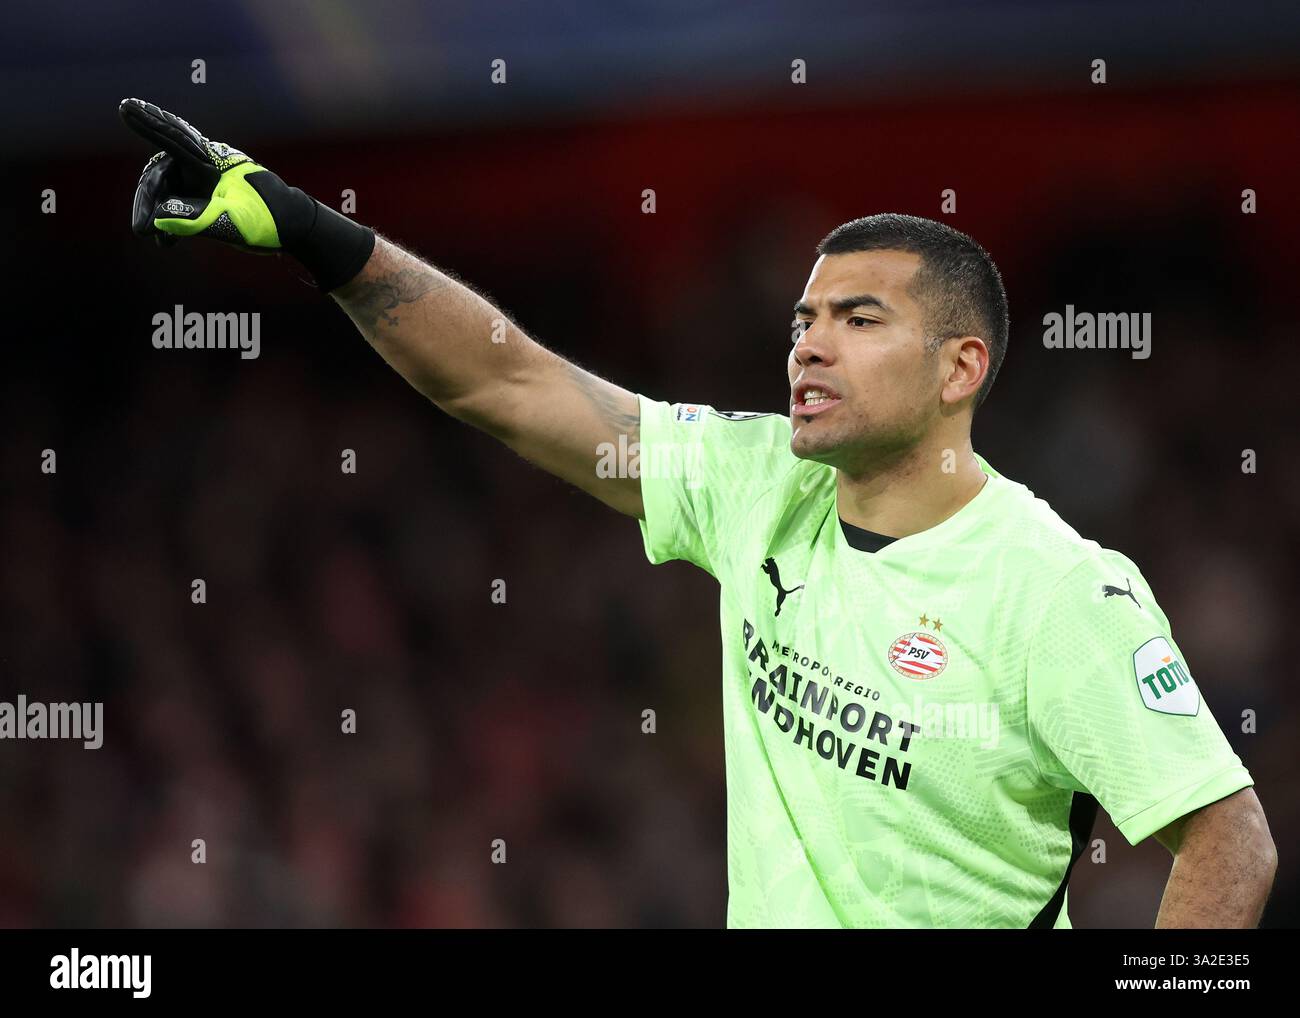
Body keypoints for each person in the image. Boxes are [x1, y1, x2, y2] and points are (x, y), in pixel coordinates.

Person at [119, 98, 1277, 928]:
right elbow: (504, 379)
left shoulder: (1057, 591)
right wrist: (316, 233)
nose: (809, 344)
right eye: (801, 320)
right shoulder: (753, 478)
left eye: (857, 319)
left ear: (958, 367)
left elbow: (1231, 842)